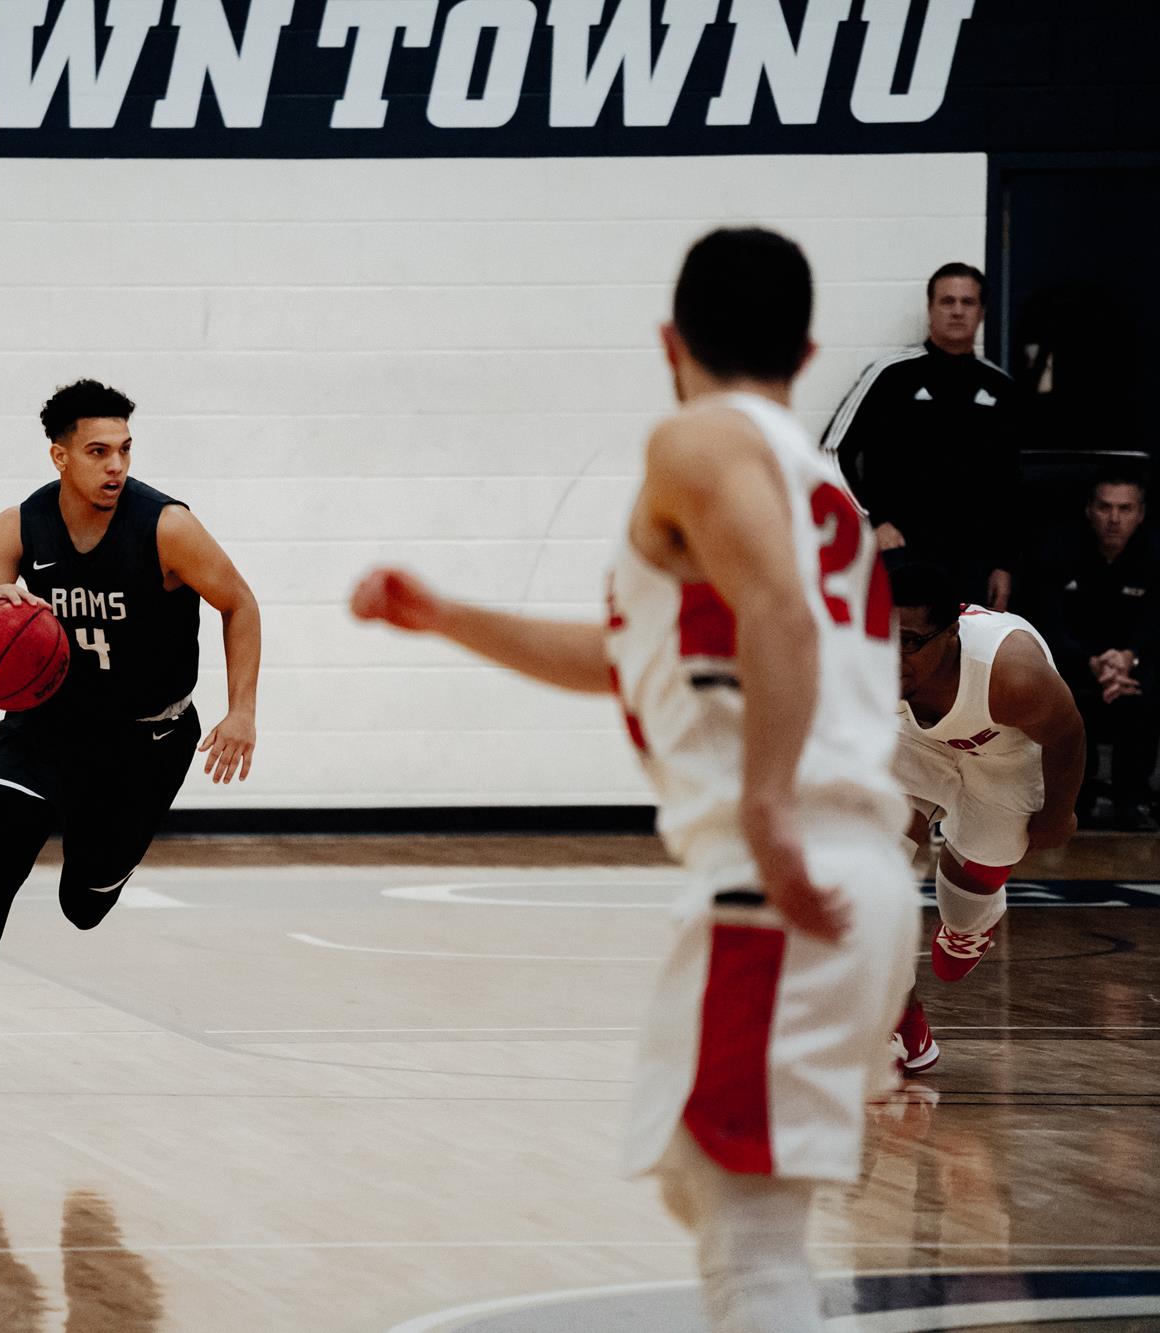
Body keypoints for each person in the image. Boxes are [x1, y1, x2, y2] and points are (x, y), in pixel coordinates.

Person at [352, 228, 915, 1333]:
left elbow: (779, 616)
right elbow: (638, 659)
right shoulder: (812, 480)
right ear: (805, 349)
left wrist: (761, 810)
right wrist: (447, 617)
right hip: (854, 875)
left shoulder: (695, 438)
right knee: (704, 1181)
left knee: (743, 1234)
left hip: (777, 867)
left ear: (669, 340)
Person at [0, 379, 261, 1093]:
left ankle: (104, 859)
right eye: (98, 451)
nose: (116, 466)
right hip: (48, 724)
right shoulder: (19, 527)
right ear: (59, 455)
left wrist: (242, 709)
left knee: (83, 904)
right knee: (3, 853)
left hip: (146, 741)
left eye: (125, 450)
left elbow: (239, 600)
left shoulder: (166, 527)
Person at [888, 559, 1085, 1073]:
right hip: (912, 742)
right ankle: (901, 1021)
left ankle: (966, 925)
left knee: (970, 893)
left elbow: (1067, 734)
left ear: (951, 632)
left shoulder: (1012, 672)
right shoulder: (858, 654)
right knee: (865, 871)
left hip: (1004, 757)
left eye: (909, 642)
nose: (891, 656)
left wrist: (1059, 813)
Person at [821, 262, 1023, 610]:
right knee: (903, 657)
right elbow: (830, 453)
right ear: (930, 309)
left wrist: (1004, 563)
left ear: (982, 311)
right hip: (902, 556)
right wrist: (872, 521)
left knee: (965, 657)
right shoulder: (892, 375)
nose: (957, 311)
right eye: (947, 301)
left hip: (973, 563)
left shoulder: (1001, 388)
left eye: (967, 302)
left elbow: (1010, 486)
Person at [1019, 465, 1158, 830]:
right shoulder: (1058, 550)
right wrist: (1091, 663)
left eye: (1125, 509)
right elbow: (1047, 621)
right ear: (1088, 510)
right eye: (1105, 507)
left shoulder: (1155, 554)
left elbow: (1154, 624)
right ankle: (1077, 794)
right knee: (1055, 685)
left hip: (1132, 664)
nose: (1114, 519)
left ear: (1140, 513)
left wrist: (1129, 658)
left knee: (1145, 690)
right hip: (1075, 660)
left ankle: (1132, 799)